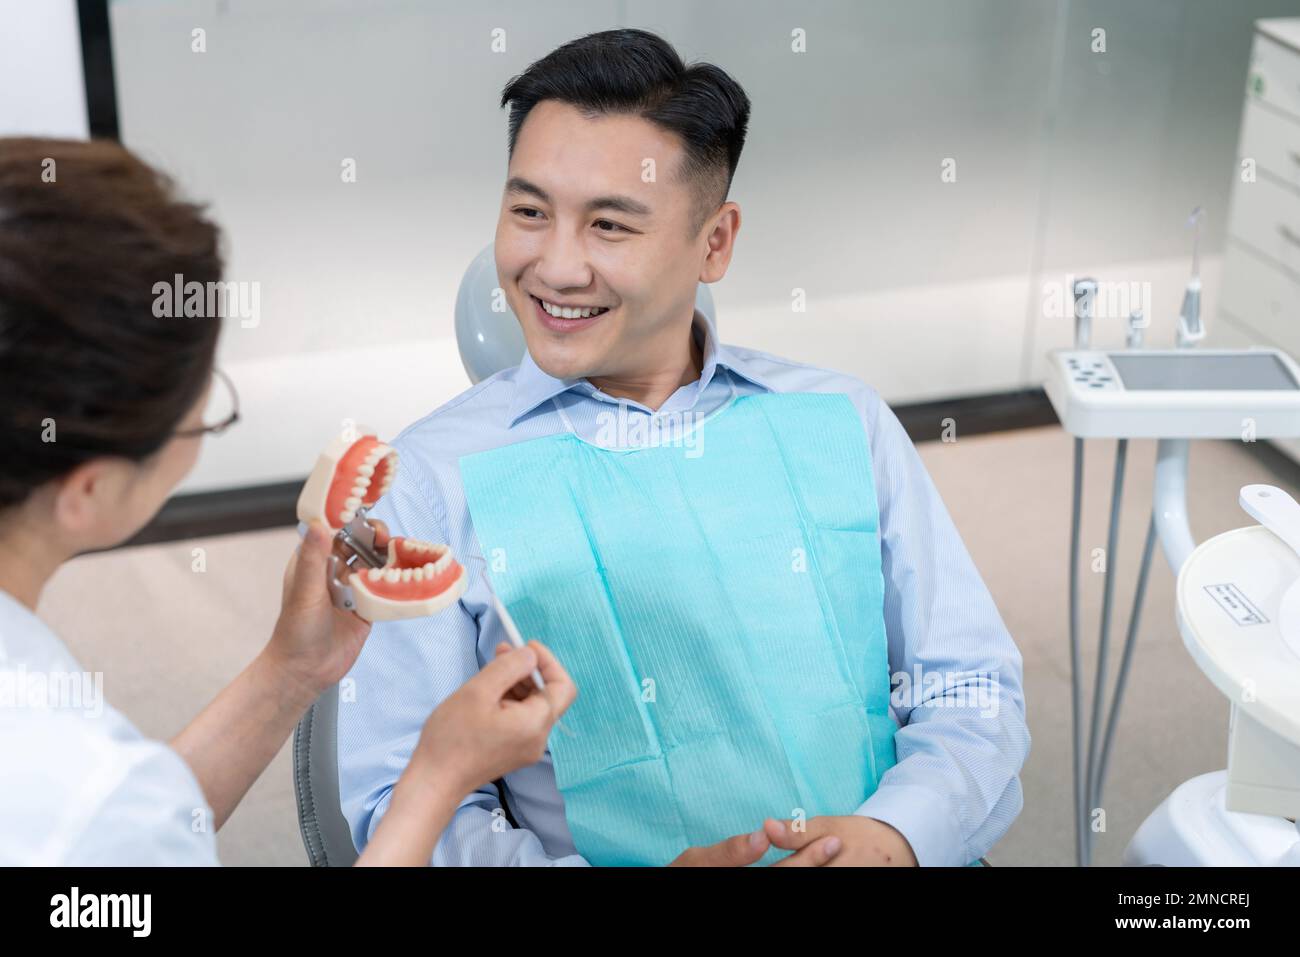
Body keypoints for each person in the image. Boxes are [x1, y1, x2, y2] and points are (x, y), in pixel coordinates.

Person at [339, 28, 1029, 867]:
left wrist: (896, 835)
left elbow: (971, 685)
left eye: (609, 226)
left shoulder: (841, 420)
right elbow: (399, 808)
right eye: (528, 212)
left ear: (715, 242)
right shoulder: (430, 484)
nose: (555, 267)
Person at [0, 136, 575, 866]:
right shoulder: (73, 785)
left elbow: (137, 829)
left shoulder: (95, 797)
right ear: (88, 491)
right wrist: (438, 775)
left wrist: (290, 668)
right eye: (204, 408)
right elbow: (110, 830)